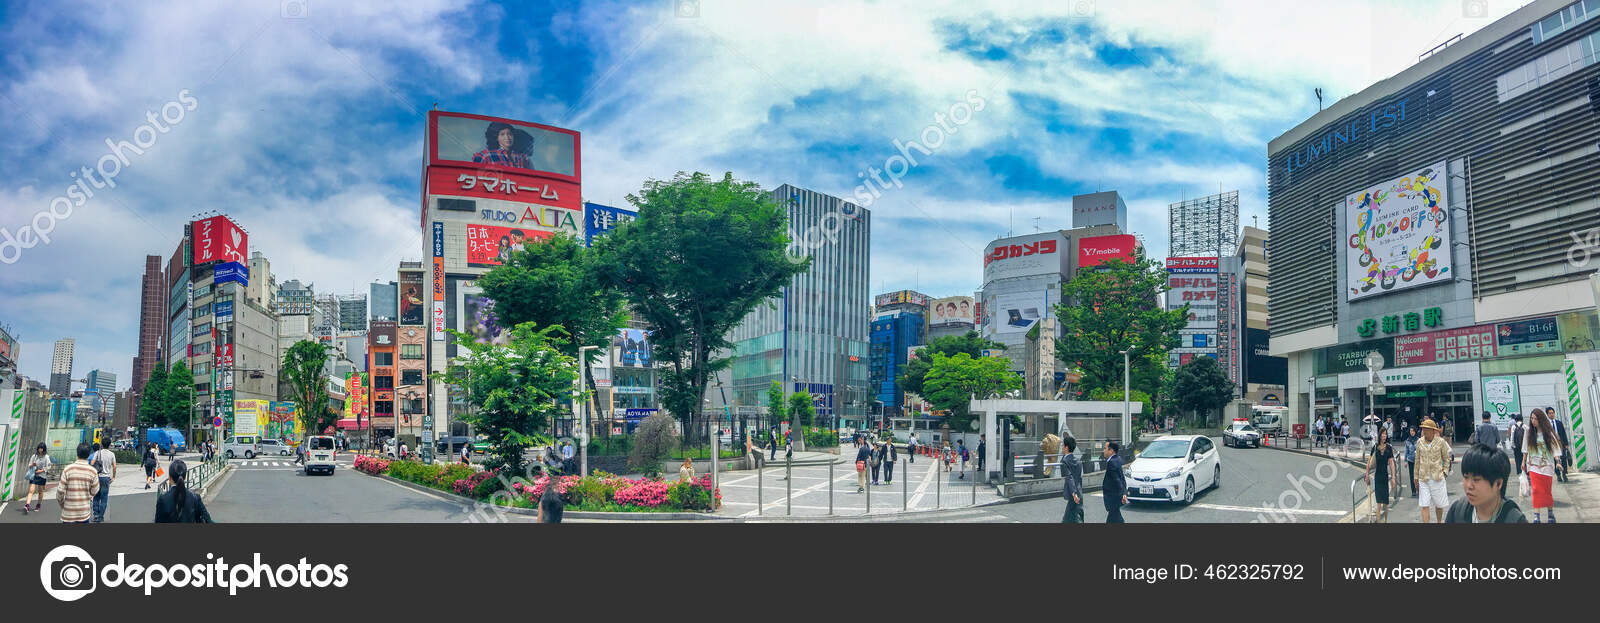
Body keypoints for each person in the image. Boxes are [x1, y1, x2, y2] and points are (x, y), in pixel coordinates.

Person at [1447, 444, 1526, 523]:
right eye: (1466, 477)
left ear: (1498, 484)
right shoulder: (1457, 511)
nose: (1469, 486)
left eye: (1476, 480)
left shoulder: (1514, 519)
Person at [1524, 408, 1562, 523]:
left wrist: (1558, 462)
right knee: (1536, 490)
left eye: (1535, 419)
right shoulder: (1529, 433)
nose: (1533, 421)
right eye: (1532, 418)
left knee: (1546, 491)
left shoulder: (1548, 434)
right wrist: (1523, 462)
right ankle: (1537, 517)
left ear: (1541, 420)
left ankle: (1550, 513)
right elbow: (1525, 449)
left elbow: (1555, 449)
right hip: (1533, 466)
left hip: (1547, 466)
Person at [1415, 418, 1452, 523]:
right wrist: (1415, 477)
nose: (1424, 431)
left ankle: (1439, 521)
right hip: (1423, 478)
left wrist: (1445, 472)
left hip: (1438, 477)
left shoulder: (1441, 442)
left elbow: (1446, 458)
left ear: (1433, 430)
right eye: (1423, 429)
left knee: (1439, 504)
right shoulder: (1419, 442)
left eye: (1426, 429)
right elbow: (1417, 460)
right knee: (1424, 504)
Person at [57, 443, 100, 524]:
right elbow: (95, 490)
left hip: (68, 514)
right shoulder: (93, 471)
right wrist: (88, 496)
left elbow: (60, 491)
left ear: (77, 453)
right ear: (88, 454)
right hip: (84, 513)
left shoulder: (67, 469)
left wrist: (62, 504)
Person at [1364, 428, 1397, 522]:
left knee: (1385, 503)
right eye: (1382, 434)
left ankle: (1385, 521)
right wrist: (1367, 475)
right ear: (1379, 435)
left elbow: (1391, 463)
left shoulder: (1389, 447)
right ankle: (1378, 522)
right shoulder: (1375, 447)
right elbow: (1369, 462)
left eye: (1385, 434)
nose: (1384, 436)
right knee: (1378, 503)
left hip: (1385, 478)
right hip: (1377, 477)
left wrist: (1393, 478)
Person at [90, 442, 117, 523]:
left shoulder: (98, 453)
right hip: (106, 478)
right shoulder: (111, 454)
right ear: (109, 444)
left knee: (96, 497)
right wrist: (113, 477)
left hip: (97, 477)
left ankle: (96, 515)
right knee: (104, 498)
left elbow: (92, 463)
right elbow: (114, 466)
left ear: (102, 444)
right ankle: (100, 517)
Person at [1059, 436, 1084, 523]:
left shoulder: (1065, 461)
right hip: (1079, 492)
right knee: (1073, 517)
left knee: (1071, 519)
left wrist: (1074, 493)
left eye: (1063, 445)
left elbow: (1069, 477)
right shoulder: (1078, 461)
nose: (1061, 447)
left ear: (1066, 447)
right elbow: (1078, 478)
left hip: (1073, 494)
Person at [21, 443, 51, 514]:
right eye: (39, 448)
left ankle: (38, 504)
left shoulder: (46, 457)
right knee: (31, 490)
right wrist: (32, 465)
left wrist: (41, 471)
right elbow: (29, 465)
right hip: (33, 475)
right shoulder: (34, 456)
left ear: (44, 449)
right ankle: (27, 505)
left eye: (41, 448)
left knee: (40, 491)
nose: (40, 450)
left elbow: (49, 466)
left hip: (42, 476)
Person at [1102, 442, 1128, 523]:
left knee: (1115, 518)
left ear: (1111, 451)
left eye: (1105, 448)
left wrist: (1122, 493)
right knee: (1114, 518)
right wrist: (1124, 492)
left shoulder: (1111, 462)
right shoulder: (1117, 459)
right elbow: (1122, 478)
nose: (1103, 451)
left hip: (1113, 496)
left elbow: (1116, 479)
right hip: (1117, 495)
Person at [1550, 408, 1571, 483]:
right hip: (1552, 444)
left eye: (1552, 413)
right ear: (1547, 414)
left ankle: (1564, 474)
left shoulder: (1559, 423)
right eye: (1550, 413)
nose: (1552, 414)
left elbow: (1563, 433)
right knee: (1555, 459)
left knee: (1563, 458)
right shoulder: (1547, 425)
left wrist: (1566, 444)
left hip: (1561, 443)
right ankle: (1558, 475)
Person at [1403, 427, 1418, 497]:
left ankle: (1418, 489)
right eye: (1410, 431)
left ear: (1415, 431)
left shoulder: (1418, 440)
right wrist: (1405, 461)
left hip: (1418, 460)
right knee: (1412, 476)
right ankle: (1413, 491)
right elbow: (1406, 451)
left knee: (1418, 475)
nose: (1412, 432)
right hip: (1410, 460)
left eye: (1413, 431)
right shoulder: (1407, 441)